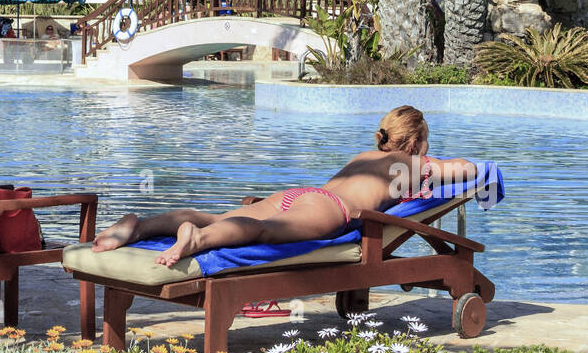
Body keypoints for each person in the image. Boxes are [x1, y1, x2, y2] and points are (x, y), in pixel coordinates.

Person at [92, 106, 476, 267]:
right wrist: (438, 160)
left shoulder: (364, 155)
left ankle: (139, 226)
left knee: (226, 216)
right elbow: (465, 168)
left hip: (298, 194)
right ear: (414, 142)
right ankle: (198, 240)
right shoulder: (413, 164)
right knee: (261, 232)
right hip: (330, 209)